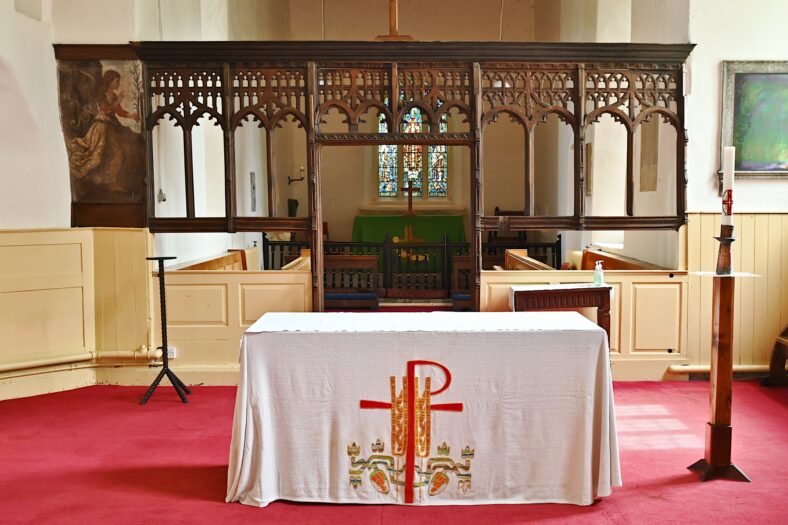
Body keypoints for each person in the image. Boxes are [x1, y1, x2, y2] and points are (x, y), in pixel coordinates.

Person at [69, 69, 140, 179]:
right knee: (96, 155)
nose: (118, 84)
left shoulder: (114, 96)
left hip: (111, 125)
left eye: (119, 81)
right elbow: (105, 109)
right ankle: (85, 174)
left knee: (118, 152)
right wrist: (118, 100)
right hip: (100, 127)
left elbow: (120, 112)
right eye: (117, 81)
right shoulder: (101, 95)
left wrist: (133, 115)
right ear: (110, 81)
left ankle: (108, 179)